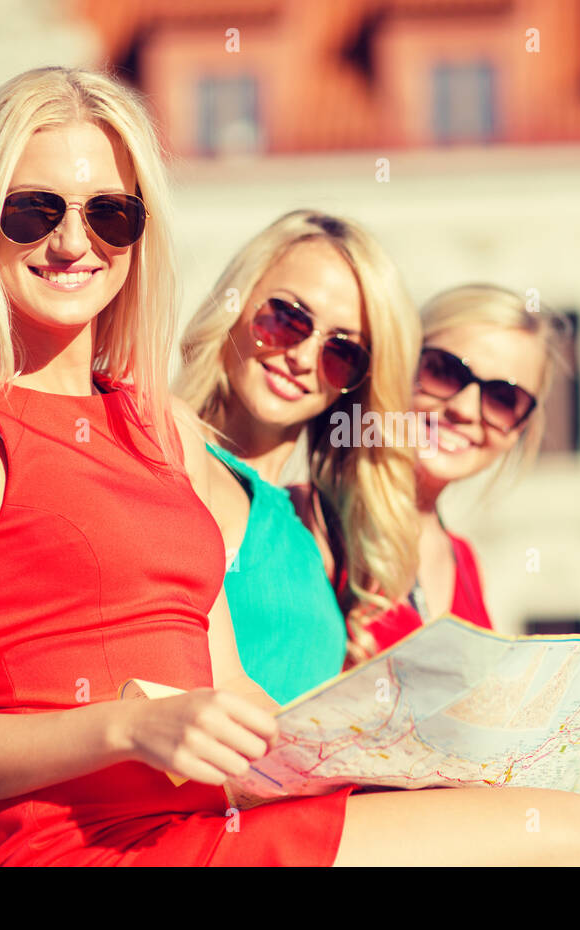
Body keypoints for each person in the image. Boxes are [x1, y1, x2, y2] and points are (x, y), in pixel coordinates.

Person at [0, 68, 580, 865]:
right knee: (579, 843)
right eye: (34, 209)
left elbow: (233, 691)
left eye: (110, 214)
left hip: (214, 827)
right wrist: (125, 727)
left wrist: (416, 767)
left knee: (579, 826)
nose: (72, 242)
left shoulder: (159, 426)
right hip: (85, 848)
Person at [350, 283, 580, 829]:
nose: (465, 409)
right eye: (445, 371)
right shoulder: (319, 519)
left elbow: (482, 762)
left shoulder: (465, 565)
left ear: (520, 429)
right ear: (402, 364)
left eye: (503, 398)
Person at [175, 210, 420, 705]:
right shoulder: (168, 451)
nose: (303, 358)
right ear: (238, 301)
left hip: (303, 780)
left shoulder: (324, 531)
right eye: (286, 319)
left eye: (342, 351)